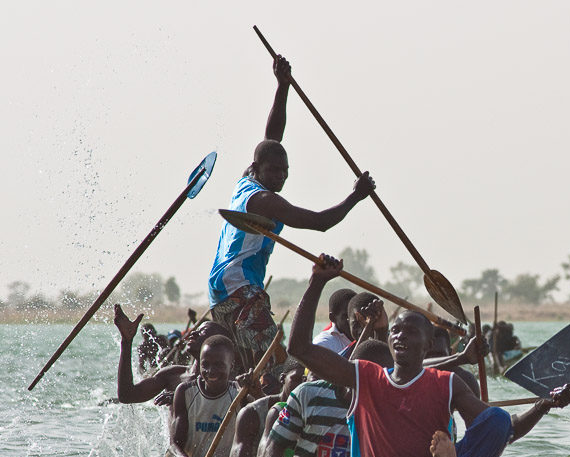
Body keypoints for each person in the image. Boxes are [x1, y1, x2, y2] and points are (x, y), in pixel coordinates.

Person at [286, 256, 570, 457]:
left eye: (410, 332)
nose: (399, 336)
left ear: (427, 347)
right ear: (388, 343)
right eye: (395, 331)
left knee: (496, 420)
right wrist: (317, 282)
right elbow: (298, 348)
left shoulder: (447, 383)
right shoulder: (365, 376)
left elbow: (506, 431)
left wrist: (543, 405)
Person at [207, 53, 376, 371]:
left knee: (250, 367)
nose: (280, 177)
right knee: (279, 367)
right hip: (239, 288)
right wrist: (356, 196)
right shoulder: (263, 201)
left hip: (223, 287)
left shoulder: (247, 179)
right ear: (258, 169)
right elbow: (320, 223)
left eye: (285, 171)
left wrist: (281, 86)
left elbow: (272, 136)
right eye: (273, 171)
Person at [263, 340, 393, 457]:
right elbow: (271, 453)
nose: (379, 387)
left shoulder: (388, 404)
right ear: (353, 372)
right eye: (371, 379)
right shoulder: (308, 395)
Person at [167, 335, 250, 457]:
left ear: (232, 366)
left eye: (219, 365)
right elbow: (173, 448)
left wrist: (257, 392)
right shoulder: (185, 392)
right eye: (205, 364)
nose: (211, 371)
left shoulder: (240, 394)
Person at [114, 303, 231, 406]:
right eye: (196, 330)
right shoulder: (172, 374)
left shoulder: (227, 381)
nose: (193, 333)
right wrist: (126, 342)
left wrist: (183, 396)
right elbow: (127, 396)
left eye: (202, 332)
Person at [227, 360, 306, 457]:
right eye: (296, 379)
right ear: (282, 378)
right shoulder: (253, 413)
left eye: (306, 381)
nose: (301, 387)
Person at [312, 288, 356, 354]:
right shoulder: (323, 344)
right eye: (346, 315)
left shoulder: (371, 335)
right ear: (332, 317)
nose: (352, 320)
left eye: (355, 315)